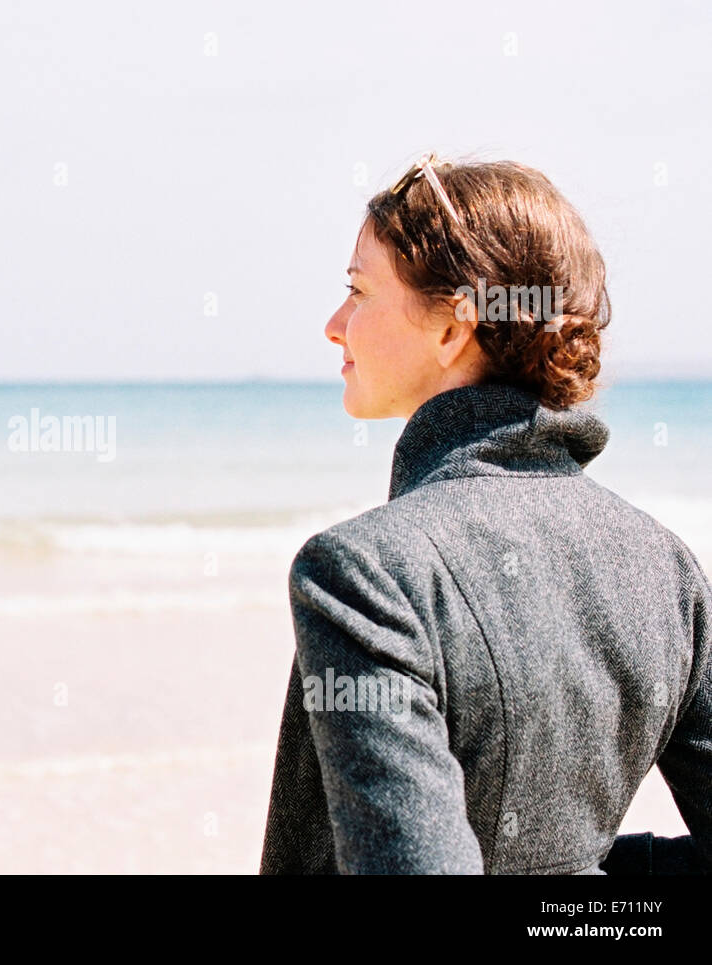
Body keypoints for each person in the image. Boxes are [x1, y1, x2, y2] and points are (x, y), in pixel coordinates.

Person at [258, 154, 711, 874]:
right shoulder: (668, 569)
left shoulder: (363, 575)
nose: (333, 324)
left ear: (452, 328)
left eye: (357, 289)